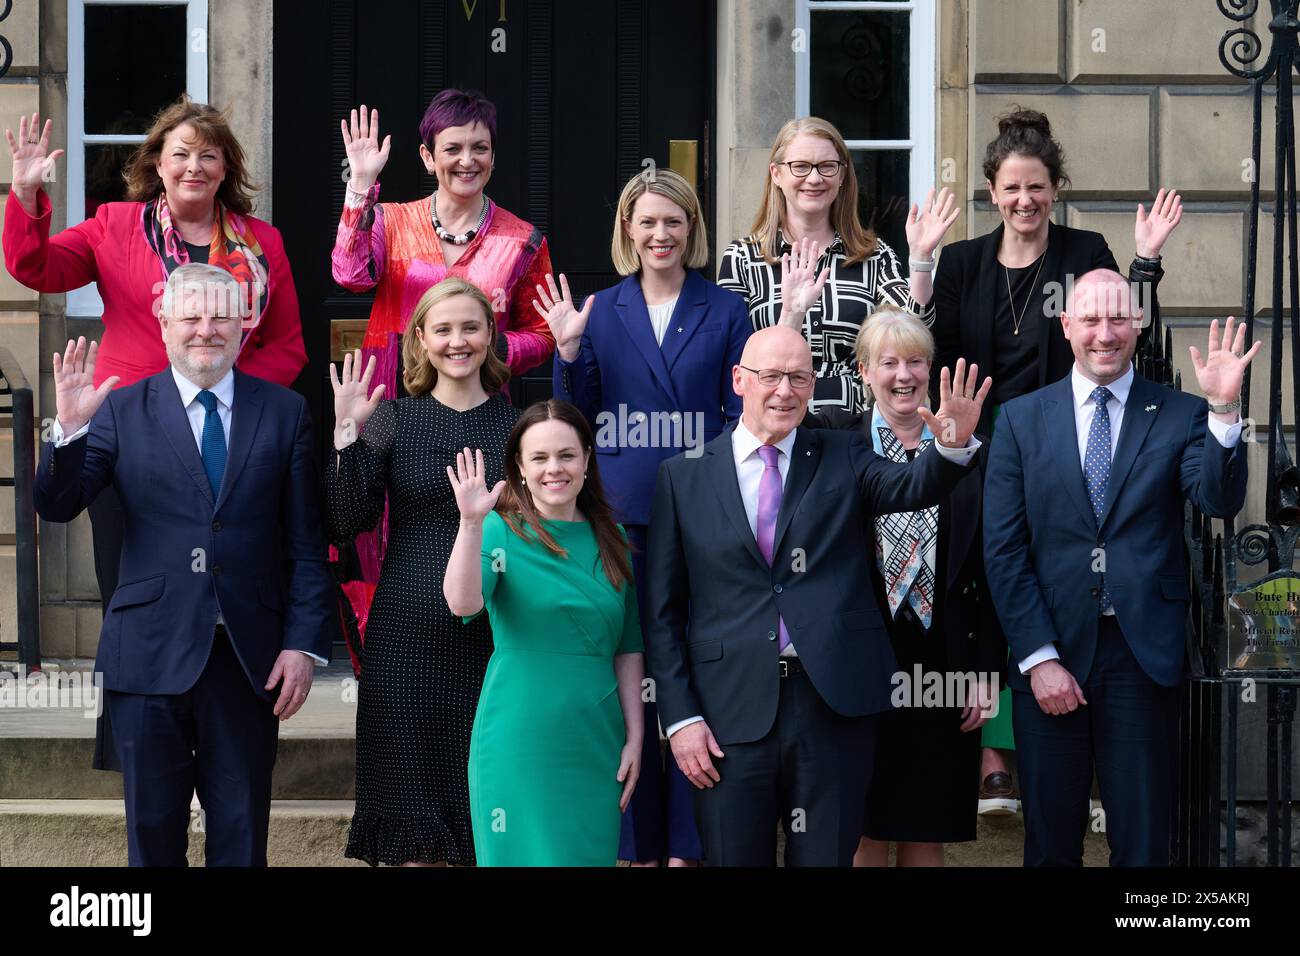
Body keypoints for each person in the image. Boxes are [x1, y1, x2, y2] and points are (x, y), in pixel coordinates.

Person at [644, 325, 990, 866]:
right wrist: (680, 718)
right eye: (771, 377)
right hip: (727, 714)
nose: (785, 391)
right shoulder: (681, 476)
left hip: (832, 707)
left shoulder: (842, 451)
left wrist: (949, 449)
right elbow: (662, 613)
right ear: (739, 380)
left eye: (799, 378)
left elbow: (908, 488)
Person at [31, 264, 334, 866]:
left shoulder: (286, 412)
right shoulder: (117, 410)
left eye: (221, 314)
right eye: (190, 315)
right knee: (152, 841)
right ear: (164, 323)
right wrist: (67, 429)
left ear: (244, 324)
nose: (206, 329)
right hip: (147, 657)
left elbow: (305, 543)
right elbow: (58, 504)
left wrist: (303, 644)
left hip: (248, 662)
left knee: (242, 841)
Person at [931, 107, 1184, 806]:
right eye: (1011, 188)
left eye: (1037, 187)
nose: (1024, 200)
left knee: (1065, 583)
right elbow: (935, 353)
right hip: (982, 449)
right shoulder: (961, 263)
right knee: (985, 578)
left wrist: (1145, 261)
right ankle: (990, 745)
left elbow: (1120, 328)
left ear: (1055, 188)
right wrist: (922, 271)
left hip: (1070, 453)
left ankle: (1069, 749)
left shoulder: (1084, 252)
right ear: (992, 191)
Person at [983, 269, 1256, 866]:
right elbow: (1003, 549)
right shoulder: (1021, 419)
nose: (1104, 333)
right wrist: (1038, 657)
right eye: (1090, 319)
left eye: (1117, 319)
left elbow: (1217, 500)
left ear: (1137, 323)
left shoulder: (1182, 412)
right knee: (1050, 843)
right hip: (1050, 654)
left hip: (1143, 656)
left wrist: (1225, 411)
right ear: (1066, 326)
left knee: (1142, 842)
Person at [3, 100, 308, 615]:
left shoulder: (263, 243)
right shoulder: (113, 225)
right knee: (128, 576)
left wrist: (221, 393)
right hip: (131, 431)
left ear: (225, 167)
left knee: (228, 575)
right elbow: (36, 267)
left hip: (226, 434)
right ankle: (133, 679)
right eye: (182, 154)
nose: (195, 167)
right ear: (158, 164)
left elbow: (287, 345)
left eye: (209, 155)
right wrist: (27, 193)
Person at [544, 168, 750, 865]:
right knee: (627, 670)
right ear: (627, 231)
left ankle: (689, 845)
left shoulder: (725, 310)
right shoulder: (600, 309)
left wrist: (714, 489)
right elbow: (578, 414)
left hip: (700, 512)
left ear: (691, 229)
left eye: (674, 222)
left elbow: (736, 415)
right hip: (623, 513)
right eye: (647, 222)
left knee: (691, 670)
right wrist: (568, 351)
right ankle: (629, 843)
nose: (660, 234)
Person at [332, 90, 555, 642]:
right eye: (452, 148)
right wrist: (359, 187)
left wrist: (486, 352)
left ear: (494, 156)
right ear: (428, 157)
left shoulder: (523, 240)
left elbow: (545, 330)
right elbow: (350, 274)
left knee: (473, 540)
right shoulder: (389, 221)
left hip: (475, 416)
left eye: (480, 147)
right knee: (375, 542)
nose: (467, 160)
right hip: (387, 410)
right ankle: (382, 664)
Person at [325, 278, 519, 866]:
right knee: (412, 818)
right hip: (406, 638)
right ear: (421, 341)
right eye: (443, 329)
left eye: (470, 327)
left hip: (495, 635)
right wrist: (346, 434)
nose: (457, 341)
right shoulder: (394, 421)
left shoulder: (517, 428)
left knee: (482, 811)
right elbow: (344, 522)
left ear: (490, 337)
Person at [804, 305, 1005, 866]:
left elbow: (994, 569)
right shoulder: (833, 442)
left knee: (925, 826)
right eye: (887, 362)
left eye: (916, 361)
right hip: (859, 659)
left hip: (944, 661)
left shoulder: (974, 451)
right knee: (863, 827)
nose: (903, 375)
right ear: (864, 371)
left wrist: (985, 671)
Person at [444, 400, 645, 866]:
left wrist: (636, 738)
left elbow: (629, 649)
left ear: (587, 460)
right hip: (518, 737)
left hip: (596, 742)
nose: (554, 469)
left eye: (566, 455)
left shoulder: (613, 539)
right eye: (539, 458)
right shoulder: (499, 531)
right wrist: (470, 523)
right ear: (519, 466)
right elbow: (462, 603)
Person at [717, 116, 959, 414]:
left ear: (842, 175)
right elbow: (734, 358)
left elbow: (914, 330)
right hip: (778, 424)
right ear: (776, 174)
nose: (815, 178)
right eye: (800, 166)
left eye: (827, 166)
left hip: (854, 429)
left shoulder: (872, 254)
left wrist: (921, 259)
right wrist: (790, 314)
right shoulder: (743, 258)